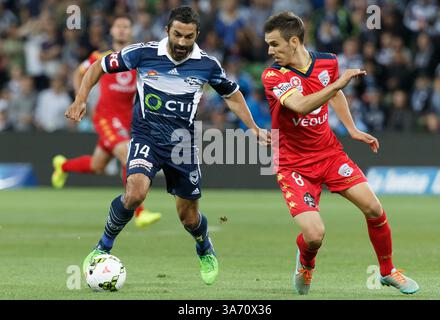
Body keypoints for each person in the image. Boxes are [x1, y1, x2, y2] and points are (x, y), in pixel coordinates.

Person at [65, 6, 269, 285]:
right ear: (167, 31)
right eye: (177, 35)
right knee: (135, 192)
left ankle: (204, 247)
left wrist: (254, 128)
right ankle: (102, 247)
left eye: (189, 37)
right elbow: (98, 66)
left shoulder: (207, 65)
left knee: (189, 217)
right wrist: (81, 98)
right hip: (146, 136)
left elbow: (232, 96)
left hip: (182, 146)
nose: (183, 42)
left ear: (197, 35)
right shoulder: (143, 53)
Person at [261, 12, 418, 295]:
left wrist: (352, 128)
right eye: (268, 45)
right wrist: (337, 83)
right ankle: (306, 263)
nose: (270, 51)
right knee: (314, 235)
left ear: (294, 41)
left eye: (274, 44)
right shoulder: (273, 75)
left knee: (374, 208)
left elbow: (334, 94)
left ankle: (388, 272)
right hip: (293, 165)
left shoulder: (328, 62)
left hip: (329, 154)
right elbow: (300, 106)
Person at [51, 16, 161, 228]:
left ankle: (62, 165)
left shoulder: (137, 58)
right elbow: (80, 72)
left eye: (126, 26)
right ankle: (139, 212)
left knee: (97, 165)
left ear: (131, 31)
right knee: (128, 155)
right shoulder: (99, 56)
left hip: (128, 120)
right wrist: (79, 98)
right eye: (118, 26)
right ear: (112, 30)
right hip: (106, 117)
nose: (121, 30)